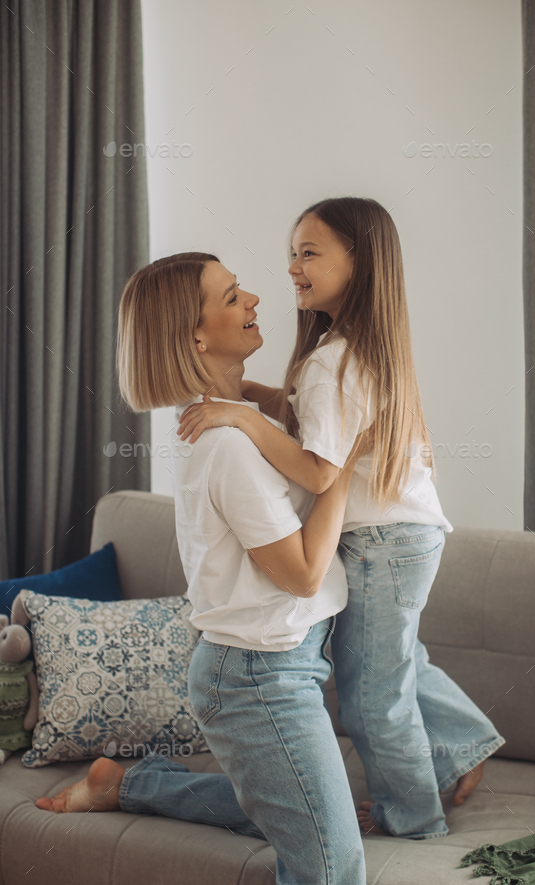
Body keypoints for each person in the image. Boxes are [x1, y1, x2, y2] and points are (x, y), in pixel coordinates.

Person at [176, 197, 506, 840]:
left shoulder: (333, 361)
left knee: (370, 696)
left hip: (383, 539)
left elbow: (320, 472)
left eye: (308, 252)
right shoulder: (350, 349)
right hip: (403, 534)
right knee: (387, 657)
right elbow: (315, 420)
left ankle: (415, 821)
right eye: (290, 253)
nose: (291, 268)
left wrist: (244, 415)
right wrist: (255, 396)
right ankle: (465, 743)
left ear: (359, 261)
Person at [36, 252, 367, 885]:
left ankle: (134, 784)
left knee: (323, 824)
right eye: (232, 295)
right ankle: (137, 786)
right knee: (333, 868)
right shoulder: (225, 447)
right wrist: (344, 461)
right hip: (255, 679)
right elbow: (299, 574)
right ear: (194, 334)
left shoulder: (248, 421)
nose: (255, 302)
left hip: (285, 661)